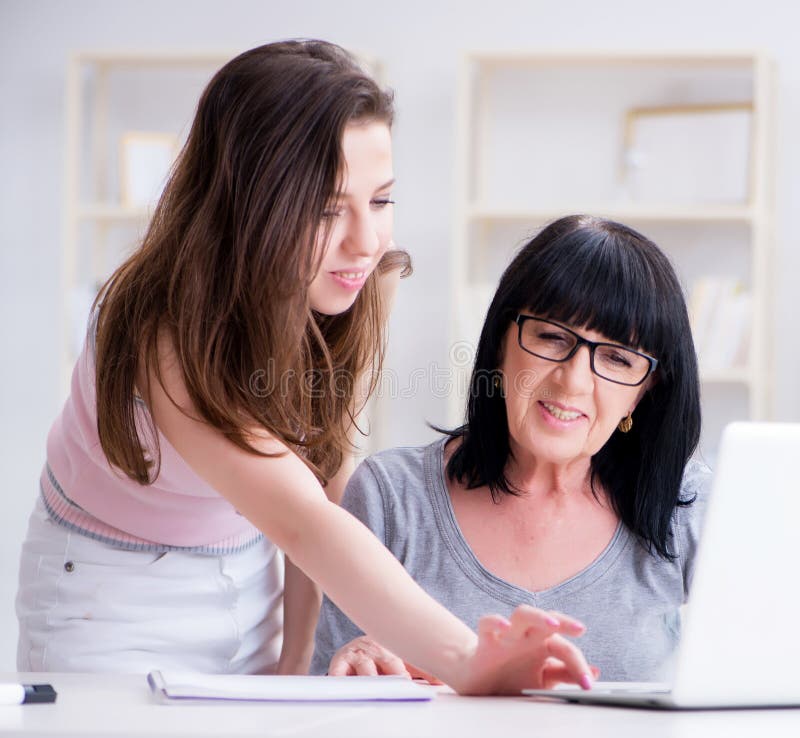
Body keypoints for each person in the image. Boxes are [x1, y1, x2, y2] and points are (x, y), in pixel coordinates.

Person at [16, 40, 595, 695]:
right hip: (109, 595)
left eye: (380, 201)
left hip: (247, 564)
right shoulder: (165, 332)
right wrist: (467, 658)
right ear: (248, 203)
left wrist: (299, 660)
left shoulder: (353, 279)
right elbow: (302, 520)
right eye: (326, 209)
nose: (366, 239)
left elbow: (321, 475)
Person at [312, 214, 709, 682]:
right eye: (552, 337)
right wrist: (355, 665)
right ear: (501, 343)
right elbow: (329, 709)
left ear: (645, 391)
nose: (572, 380)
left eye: (617, 358)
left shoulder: (689, 507)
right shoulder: (391, 499)